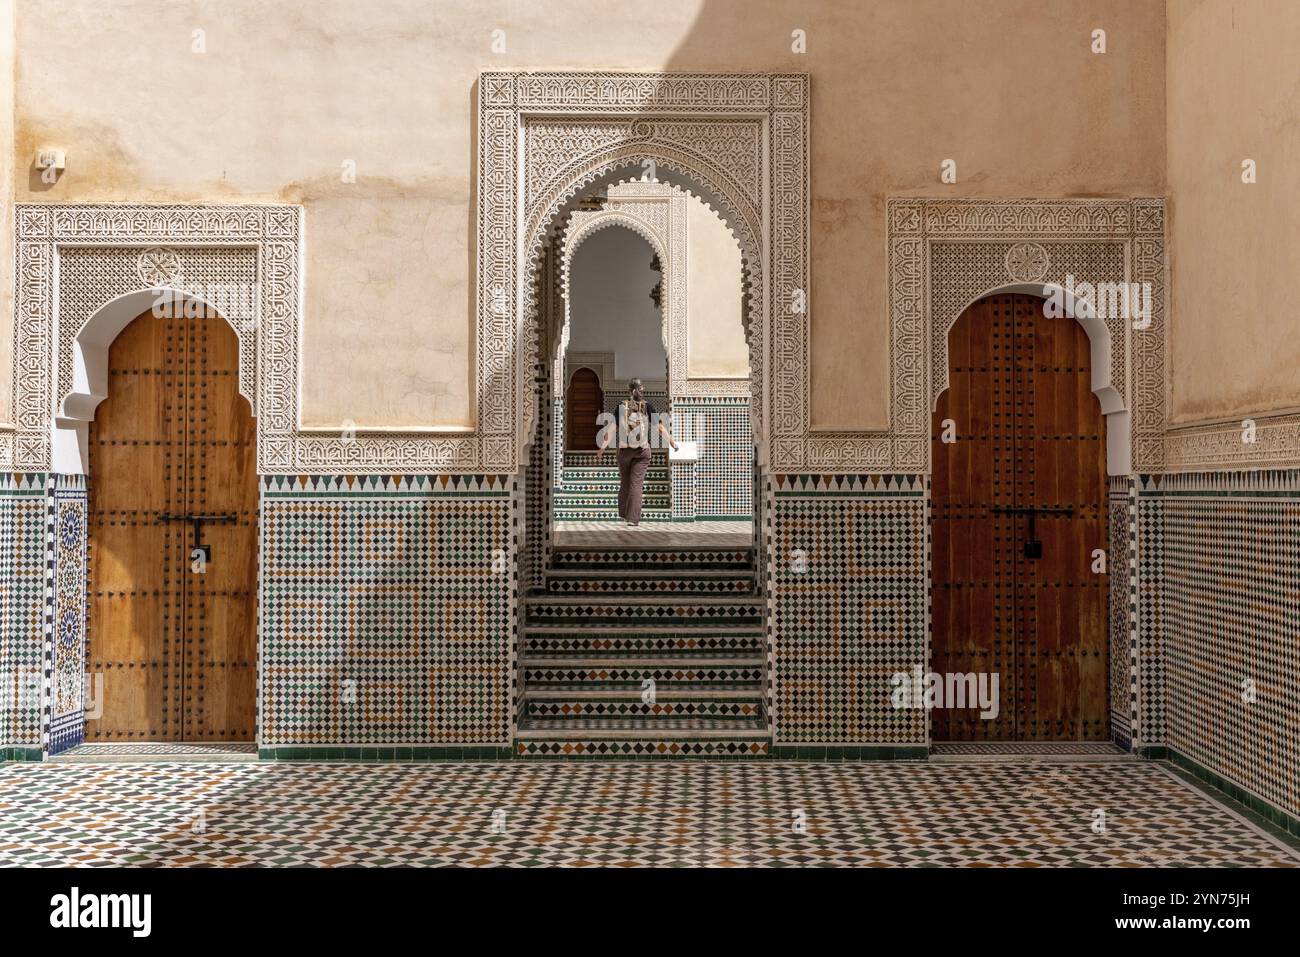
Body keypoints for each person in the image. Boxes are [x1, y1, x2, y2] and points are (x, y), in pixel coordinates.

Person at [596, 378, 677, 526]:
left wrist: (602, 447)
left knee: (625, 483)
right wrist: (671, 441)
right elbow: (659, 427)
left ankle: (624, 514)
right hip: (642, 451)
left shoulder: (621, 406)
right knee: (636, 485)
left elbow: (612, 429)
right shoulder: (648, 406)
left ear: (629, 390)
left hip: (624, 452)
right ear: (640, 390)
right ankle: (633, 519)